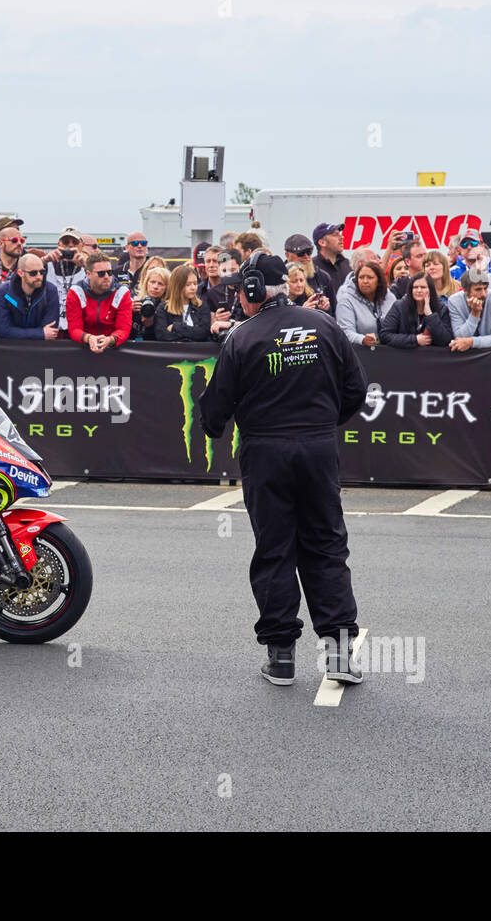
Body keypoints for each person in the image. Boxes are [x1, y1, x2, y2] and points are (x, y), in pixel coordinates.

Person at [198, 253, 367, 687]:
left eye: (241, 290)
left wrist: (227, 423)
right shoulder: (325, 327)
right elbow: (356, 392)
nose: (238, 297)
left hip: (266, 452)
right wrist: (321, 424)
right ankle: (341, 655)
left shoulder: (241, 338)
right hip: (317, 448)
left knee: (275, 549)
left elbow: (213, 415)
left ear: (254, 290)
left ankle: (282, 657)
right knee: (326, 545)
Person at [66, 252, 132, 353]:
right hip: (83, 347)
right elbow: (74, 329)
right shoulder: (76, 292)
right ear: (88, 274)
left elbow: (124, 329)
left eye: (110, 272)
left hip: (113, 348)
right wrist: (89, 338)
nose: (106, 276)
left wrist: (110, 339)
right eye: (101, 273)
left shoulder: (122, 292)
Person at [446, 266, 491, 351]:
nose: (483, 294)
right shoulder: (454, 301)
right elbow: (460, 337)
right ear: (465, 290)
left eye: (485, 288)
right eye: (478, 289)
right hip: (468, 354)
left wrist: (471, 342)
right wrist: (475, 314)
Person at [0, 254, 60, 340]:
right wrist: (40, 333)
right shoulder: (5, 291)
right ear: (20, 273)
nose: (39, 277)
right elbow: (3, 330)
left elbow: (51, 331)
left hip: (41, 348)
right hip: (12, 348)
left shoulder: (51, 291)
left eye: (42, 272)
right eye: (33, 273)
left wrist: (17, 333)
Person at [379, 275, 453, 348]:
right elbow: (385, 335)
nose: (419, 290)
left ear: (430, 290)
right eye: (415, 287)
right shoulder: (399, 306)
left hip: (431, 358)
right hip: (404, 357)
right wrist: (415, 339)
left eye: (423, 287)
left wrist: (430, 315)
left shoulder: (440, 308)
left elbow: (446, 340)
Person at [335, 260, 395, 347]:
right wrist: (362, 339)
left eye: (370, 277)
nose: (365, 281)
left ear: (378, 281)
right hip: (361, 354)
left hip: (391, 353)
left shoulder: (389, 297)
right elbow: (345, 333)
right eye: (361, 277)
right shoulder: (346, 300)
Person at [154, 264, 218, 342]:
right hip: (174, 352)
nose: (193, 288)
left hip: (197, 351)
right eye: (188, 285)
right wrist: (190, 336)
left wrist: (176, 327)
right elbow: (162, 335)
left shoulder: (202, 306)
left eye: (195, 283)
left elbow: (203, 333)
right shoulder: (163, 308)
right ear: (178, 286)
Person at [43, 227, 88, 334]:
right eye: (66, 242)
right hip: (53, 327)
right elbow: (23, 274)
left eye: (75, 242)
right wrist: (44, 260)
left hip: (80, 327)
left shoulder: (87, 266)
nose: (70, 245)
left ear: (82, 245)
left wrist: (86, 264)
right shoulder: (49, 264)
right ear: (59, 244)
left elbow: (107, 282)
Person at [311, 222, 350, 296]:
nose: (342, 237)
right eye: (335, 235)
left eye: (340, 234)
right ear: (322, 242)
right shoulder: (312, 268)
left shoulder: (348, 264)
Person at [133, 266, 170, 340]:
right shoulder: (136, 303)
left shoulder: (169, 307)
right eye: (152, 282)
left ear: (167, 287)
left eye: (160, 284)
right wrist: (128, 311)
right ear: (146, 283)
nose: (155, 287)